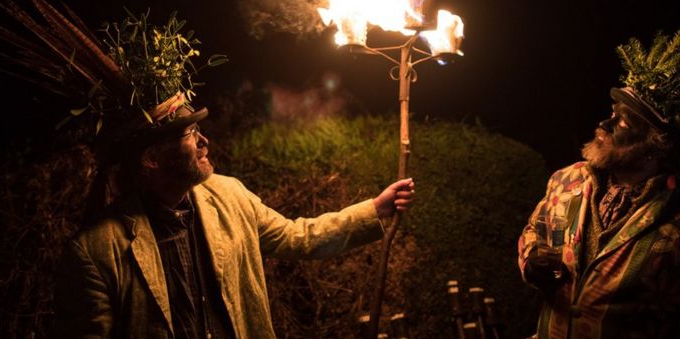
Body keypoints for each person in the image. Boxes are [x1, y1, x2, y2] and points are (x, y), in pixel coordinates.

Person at [53, 104, 414, 339]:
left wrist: (374, 210)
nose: (204, 141)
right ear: (152, 159)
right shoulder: (96, 251)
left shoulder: (229, 196)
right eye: (189, 134)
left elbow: (297, 236)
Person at [518, 12, 680, 338]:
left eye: (623, 121)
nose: (604, 125)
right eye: (612, 113)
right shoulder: (565, 181)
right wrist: (532, 260)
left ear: (656, 144)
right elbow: (533, 232)